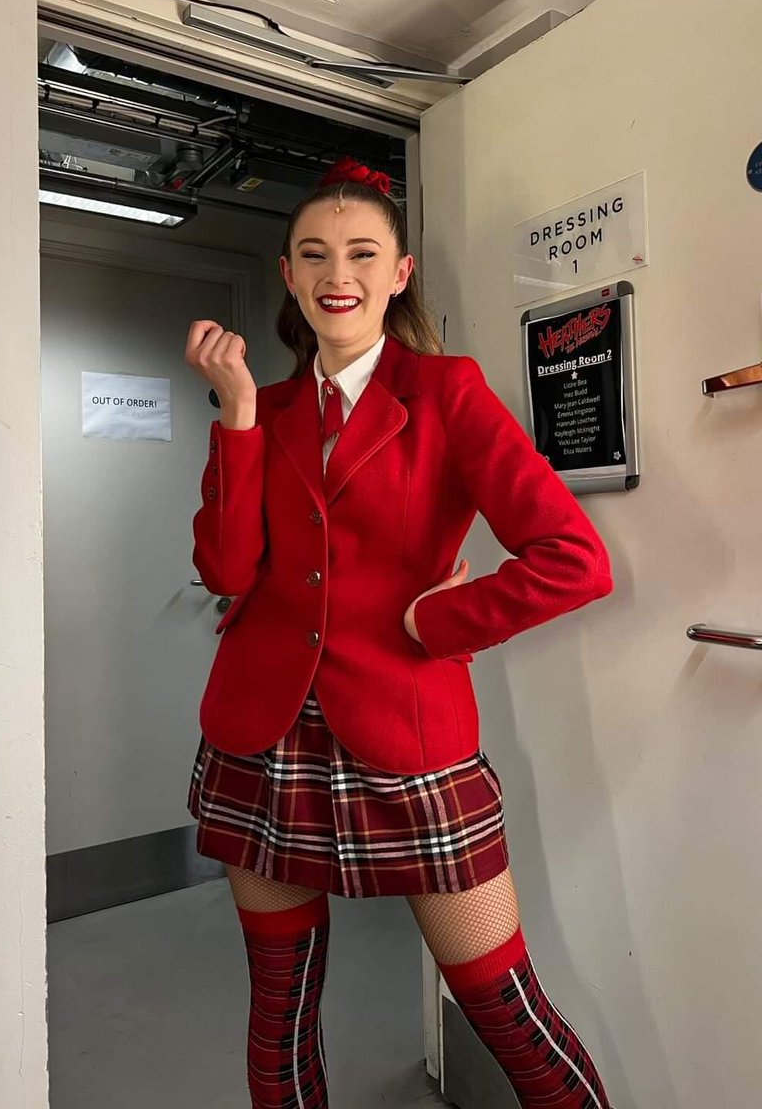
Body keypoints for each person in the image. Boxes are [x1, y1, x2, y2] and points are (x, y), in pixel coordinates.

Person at [184, 156, 614, 1109]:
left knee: (508, 1013)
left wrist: (438, 619)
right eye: (313, 254)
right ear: (289, 274)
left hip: (407, 733)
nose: (337, 273)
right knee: (279, 1016)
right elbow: (227, 571)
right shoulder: (267, 408)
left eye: (361, 253)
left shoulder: (446, 391)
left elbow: (574, 559)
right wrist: (239, 415)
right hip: (261, 738)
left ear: (398, 273)